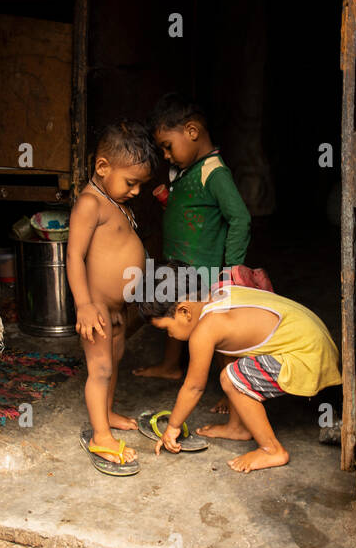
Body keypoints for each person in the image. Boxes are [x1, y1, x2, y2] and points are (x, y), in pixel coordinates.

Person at [140, 278, 340, 473]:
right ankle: (237, 428)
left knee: (232, 379)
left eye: (166, 328)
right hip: (315, 345)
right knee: (232, 371)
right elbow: (231, 351)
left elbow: (194, 387)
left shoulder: (206, 330)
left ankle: (271, 450)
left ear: (184, 311)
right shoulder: (217, 297)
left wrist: (173, 427)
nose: (170, 335)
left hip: (307, 360)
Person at [133, 94, 251, 382]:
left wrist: (231, 270)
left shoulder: (214, 172)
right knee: (175, 317)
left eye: (168, 146)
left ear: (192, 131)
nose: (166, 155)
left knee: (219, 328)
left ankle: (231, 386)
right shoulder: (185, 172)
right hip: (180, 267)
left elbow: (240, 218)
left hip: (207, 272)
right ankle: (171, 366)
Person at [67, 121, 155, 475]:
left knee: (114, 362)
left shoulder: (115, 201)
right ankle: (100, 436)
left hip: (116, 308)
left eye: (140, 185)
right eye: (130, 182)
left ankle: (106, 413)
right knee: (100, 369)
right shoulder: (91, 203)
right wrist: (85, 305)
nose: (135, 191)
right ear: (103, 168)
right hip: (97, 307)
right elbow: (74, 256)